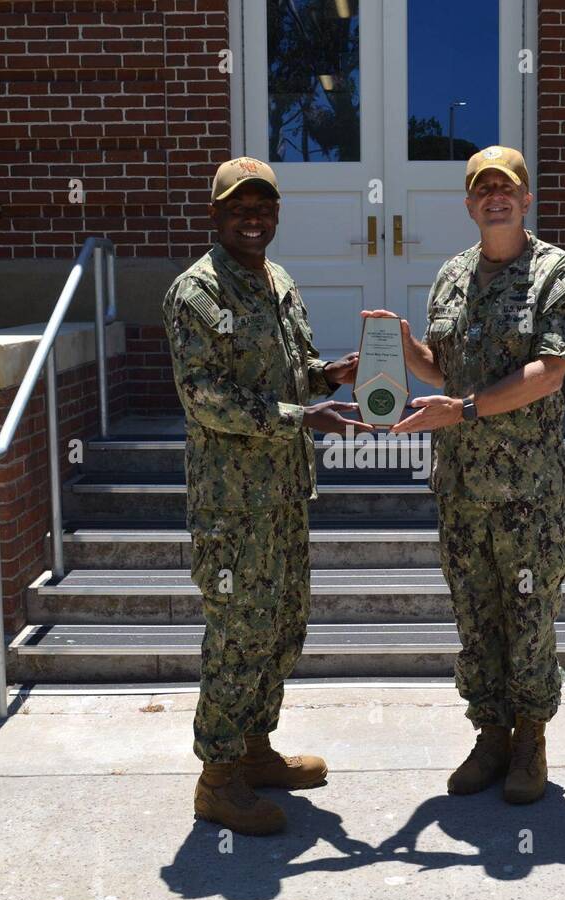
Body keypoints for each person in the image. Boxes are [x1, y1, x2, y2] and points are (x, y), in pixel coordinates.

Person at [162, 156, 370, 835]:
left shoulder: (277, 281)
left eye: (264, 206)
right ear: (216, 215)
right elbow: (206, 399)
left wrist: (328, 376)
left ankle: (254, 751)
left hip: (283, 494)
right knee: (237, 635)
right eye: (239, 207)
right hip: (232, 504)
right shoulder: (196, 293)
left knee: (282, 630)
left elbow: (288, 375)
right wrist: (297, 417)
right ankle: (216, 779)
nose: (253, 217)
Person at [376, 144, 565, 804]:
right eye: (482, 188)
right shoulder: (450, 276)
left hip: (528, 492)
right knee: (476, 619)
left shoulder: (557, 273)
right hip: (461, 490)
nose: (495, 196)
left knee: (529, 617)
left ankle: (531, 741)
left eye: (508, 187)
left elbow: (548, 371)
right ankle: (491, 733)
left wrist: (462, 408)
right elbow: (449, 374)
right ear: (469, 203)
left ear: (526, 199)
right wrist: (404, 351)